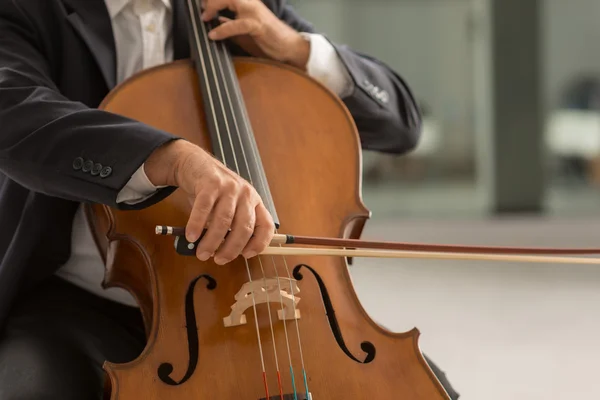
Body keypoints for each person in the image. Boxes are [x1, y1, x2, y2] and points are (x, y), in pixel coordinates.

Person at [0, 0, 459, 398]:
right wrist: (171, 159)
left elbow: (402, 123)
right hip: (76, 305)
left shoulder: (232, 9)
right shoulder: (25, 9)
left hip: (270, 302)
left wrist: (295, 49)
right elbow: (16, 112)